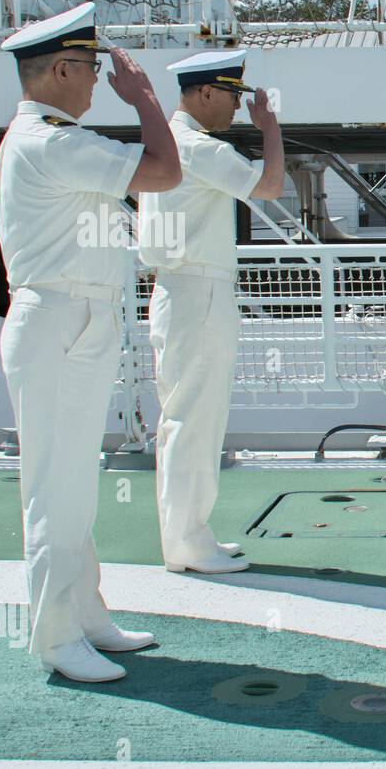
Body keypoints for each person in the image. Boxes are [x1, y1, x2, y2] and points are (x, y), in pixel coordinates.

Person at [0, 2, 181, 682]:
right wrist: (148, 100)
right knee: (54, 489)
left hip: (77, 323)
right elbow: (164, 168)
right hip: (59, 325)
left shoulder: (49, 137)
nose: (101, 81)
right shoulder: (52, 141)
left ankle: (86, 614)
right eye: (94, 69)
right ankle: (54, 636)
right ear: (63, 68)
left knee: (75, 483)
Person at [137, 50, 284, 574]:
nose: (237, 108)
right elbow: (269, 186)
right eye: (232, 97)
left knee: (192, 417)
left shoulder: (176, 142)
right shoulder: (197, 148)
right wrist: (269, 129)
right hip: (197, 292)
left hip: (186, 290)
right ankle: (186, 543)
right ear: (205, 93)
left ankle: (191, 533)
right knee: (192, 420)